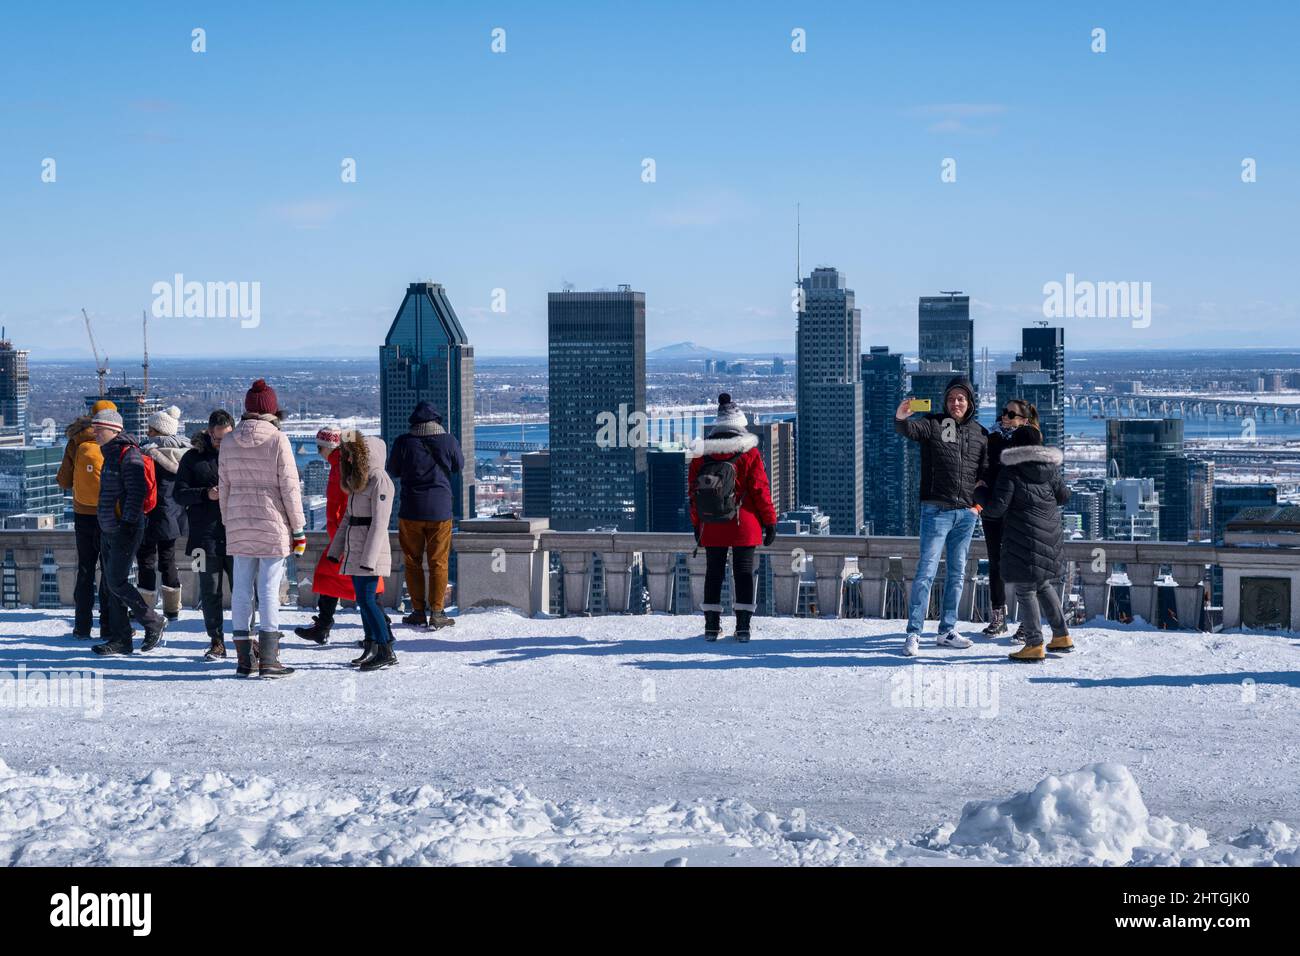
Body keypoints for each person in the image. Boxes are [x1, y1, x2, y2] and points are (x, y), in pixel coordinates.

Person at [894, 377, 989, 657]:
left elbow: (985, 474)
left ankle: (947, 630)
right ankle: (914, 633)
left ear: (969, 402)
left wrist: (977, 508)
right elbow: (909, 429)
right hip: (936, 510)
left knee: (957, 574)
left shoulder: (980, 433)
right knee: (926, 572)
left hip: (966, 514)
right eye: (951, 399)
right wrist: (901, 416)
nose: (955, 403)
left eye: (961, 398)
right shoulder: (934, 424)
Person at [219, 379, 306, 678]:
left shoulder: (228, 440)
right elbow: (290, 489)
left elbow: (224, 486)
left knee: (241, 589)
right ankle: (269, 658)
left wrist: (228, 521)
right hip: (273, 523)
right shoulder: (278, 439)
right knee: (269, 589)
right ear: (272, 409)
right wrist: (299, 529)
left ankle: (245, 659)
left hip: (239, 522)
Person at [688, 394, 778, 643]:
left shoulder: (701, 454)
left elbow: (693, 495)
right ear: (740, 424)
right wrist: (770, 522)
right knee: (744, 573)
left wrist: (698, 525)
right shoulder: (749, 453)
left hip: (712, 523)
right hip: (743, 523)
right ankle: (743, 627)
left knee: (713, 573)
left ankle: (711, 627)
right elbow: (761, 490)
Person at [979, 425, 1073, 662]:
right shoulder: (1050, 469)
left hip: (1023, 537)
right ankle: (1061, 636)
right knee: (1042, 585)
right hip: (1050, 536)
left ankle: (1034, 644)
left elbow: (995, 510)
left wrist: (978, 493)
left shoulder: (1011, 471)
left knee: (1025, 589)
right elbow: (1064, 497)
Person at [295, 426, 383, 644]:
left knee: (357, 584)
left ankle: (377, 631)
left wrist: (338, 539)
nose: (318, 453)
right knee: (334, 578)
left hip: (344, 535)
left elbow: (336, 508)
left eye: (319, 448)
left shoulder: (338, 468)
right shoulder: (352, 462)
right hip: (354, 532)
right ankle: (325, 626)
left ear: (327, 448)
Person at [91, 407, 167, 655]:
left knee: (116, 581)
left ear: (113, 430)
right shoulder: (111, 454)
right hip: (109, 528)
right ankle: (121, 639)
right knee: (111, 585)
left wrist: (126, 525)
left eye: (98, 428)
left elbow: (137, 494)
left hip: (125, 529)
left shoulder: (129, 455)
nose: (94, 433)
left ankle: (153, 621)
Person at [386, 401, 463, 629]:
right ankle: (437, 613)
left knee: (412, 561)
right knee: (438, 562)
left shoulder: (403, 441)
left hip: (411, 509)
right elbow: (459, 465)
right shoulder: (448, 440)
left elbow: (393, 470)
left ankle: (418, 611)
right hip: (440, 510)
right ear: (436, 421)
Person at [328, 431, 397, 671]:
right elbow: (349, 517)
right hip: (355, 548)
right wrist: (335, 550)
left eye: (350, 455)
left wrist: (369, 559)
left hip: (370, 551)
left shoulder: (380, 479)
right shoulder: (359, 480)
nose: (346, 460)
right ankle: (374, 646)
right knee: (363, 600)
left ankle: (385, 647)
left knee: (368, 600)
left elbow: (380, 523)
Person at [175, 410, 236, 661]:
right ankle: (216, 641)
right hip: (202, 538)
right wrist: (205, 494)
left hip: (236, 535)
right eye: (218, 439)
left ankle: (248, 638)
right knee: (209, 590)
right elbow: (179, 494)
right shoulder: (192, 458)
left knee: (243, 590)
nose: (222, 444)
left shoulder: (241, 455)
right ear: (209, 432)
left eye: (227, 439)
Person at [977, 399, 1038, 638]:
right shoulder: (991, 437)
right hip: (992, 509)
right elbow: (982, 467)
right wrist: (979, 490)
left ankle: (1027, 620)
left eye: (1011, 414)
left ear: (1024, 420)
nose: (1005, 417)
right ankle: (998, 617)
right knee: (996, 563)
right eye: (1004, 412)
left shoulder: (1029, 439)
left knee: (1023, 564)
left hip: (1019, 510)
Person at [56, 399, 115, 639]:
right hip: (108, 515)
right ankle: (108, 625)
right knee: (108, 571)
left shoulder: (76, 441)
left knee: (85, 570)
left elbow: (63, 480)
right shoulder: (113, 440)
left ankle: (82, 626)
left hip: (82, 514)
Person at [136, 405, 190, 622]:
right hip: (173, 515)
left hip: (149, 512)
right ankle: (172, 607)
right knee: (168, 560)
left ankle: (146, 608)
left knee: (146, 560)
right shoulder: (184, 453)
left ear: (158, 431)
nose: (147, 432)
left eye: (151, 428)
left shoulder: (147, 452)